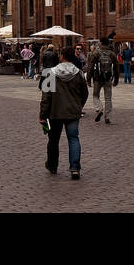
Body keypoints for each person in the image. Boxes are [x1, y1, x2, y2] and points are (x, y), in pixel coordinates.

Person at [40, 46, 88, 180]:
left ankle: (52, 165)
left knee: (53, 140)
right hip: (73, 112)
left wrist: (43, 115)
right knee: (73, 139)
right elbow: (85, 93)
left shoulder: (50, 72)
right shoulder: (78, 73)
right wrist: (79, 106)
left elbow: (46, 96)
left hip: (54, 112)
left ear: (61, 56)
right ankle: (75, 168)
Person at [87, 36, 118, 123]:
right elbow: (116, 67)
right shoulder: (112, 54)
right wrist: (116, 79)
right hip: (108, 78)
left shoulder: (96, 53)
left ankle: (99, 108)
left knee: (95, 95)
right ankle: (107, 117)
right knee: (108, 98)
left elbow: (91, 67)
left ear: (100, 43)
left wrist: (88, 79)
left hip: (97, 78)